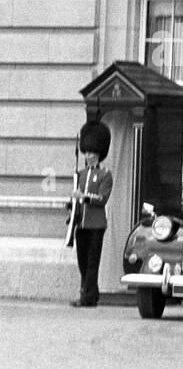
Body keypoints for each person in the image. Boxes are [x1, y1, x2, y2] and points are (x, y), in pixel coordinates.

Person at [68, 119, 113, 308]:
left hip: (96, 224)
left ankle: (87, 297)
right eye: (87, 152)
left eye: (92, 152)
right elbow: (77, 198)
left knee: (92, 263)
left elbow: (101, 199)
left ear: (99, 154)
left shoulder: (105, 175)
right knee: (83, 262)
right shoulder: (81, 174)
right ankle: (91, 294)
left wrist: (84, 197)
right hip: (82, 223)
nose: (89, 155)